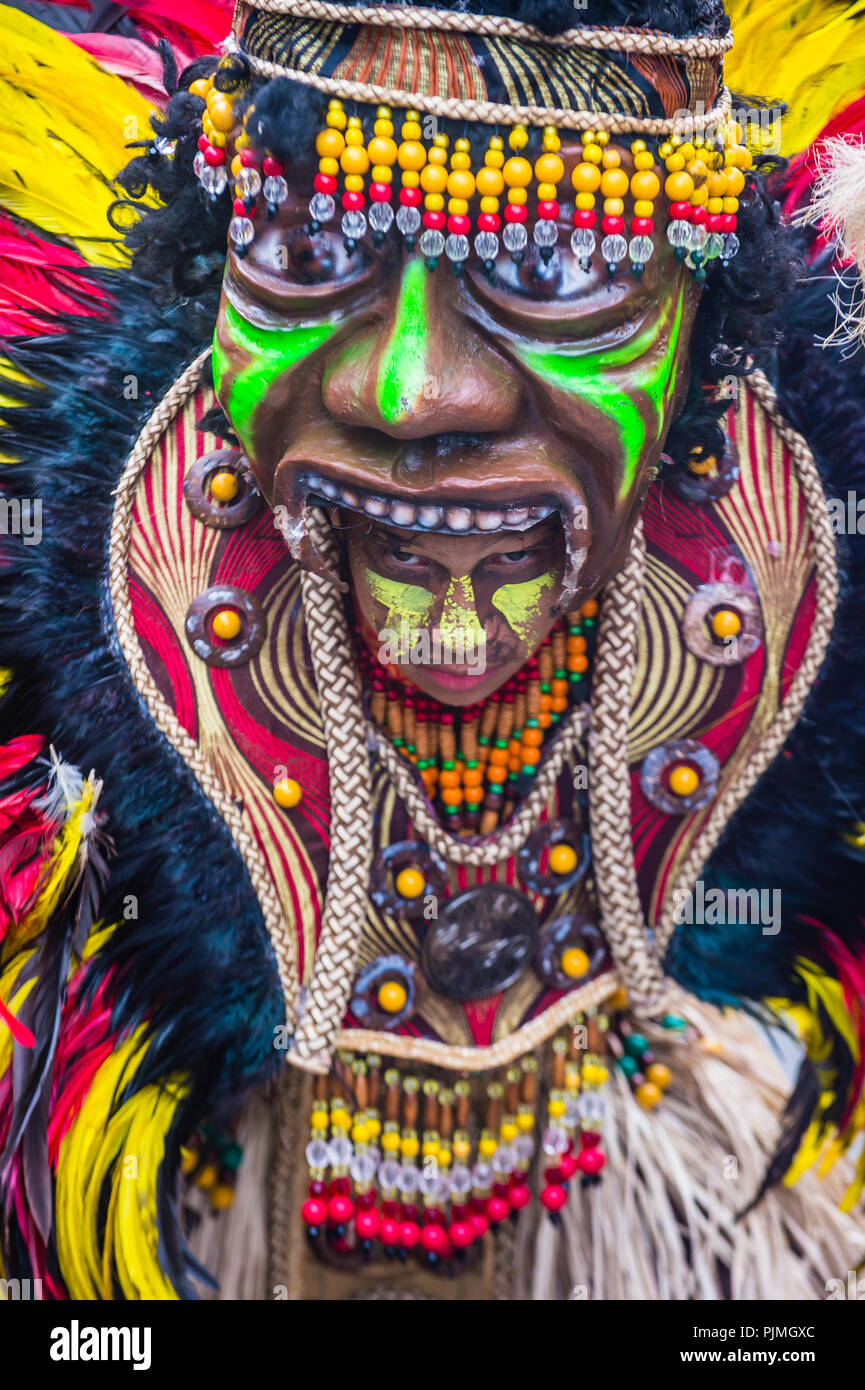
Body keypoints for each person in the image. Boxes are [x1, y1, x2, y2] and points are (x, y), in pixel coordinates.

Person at [1, 0, 865, 1301]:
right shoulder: (73, 582)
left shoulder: (789, 554)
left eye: (559, 268)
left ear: (704, 327)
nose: (411, 392)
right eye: (307, 246)